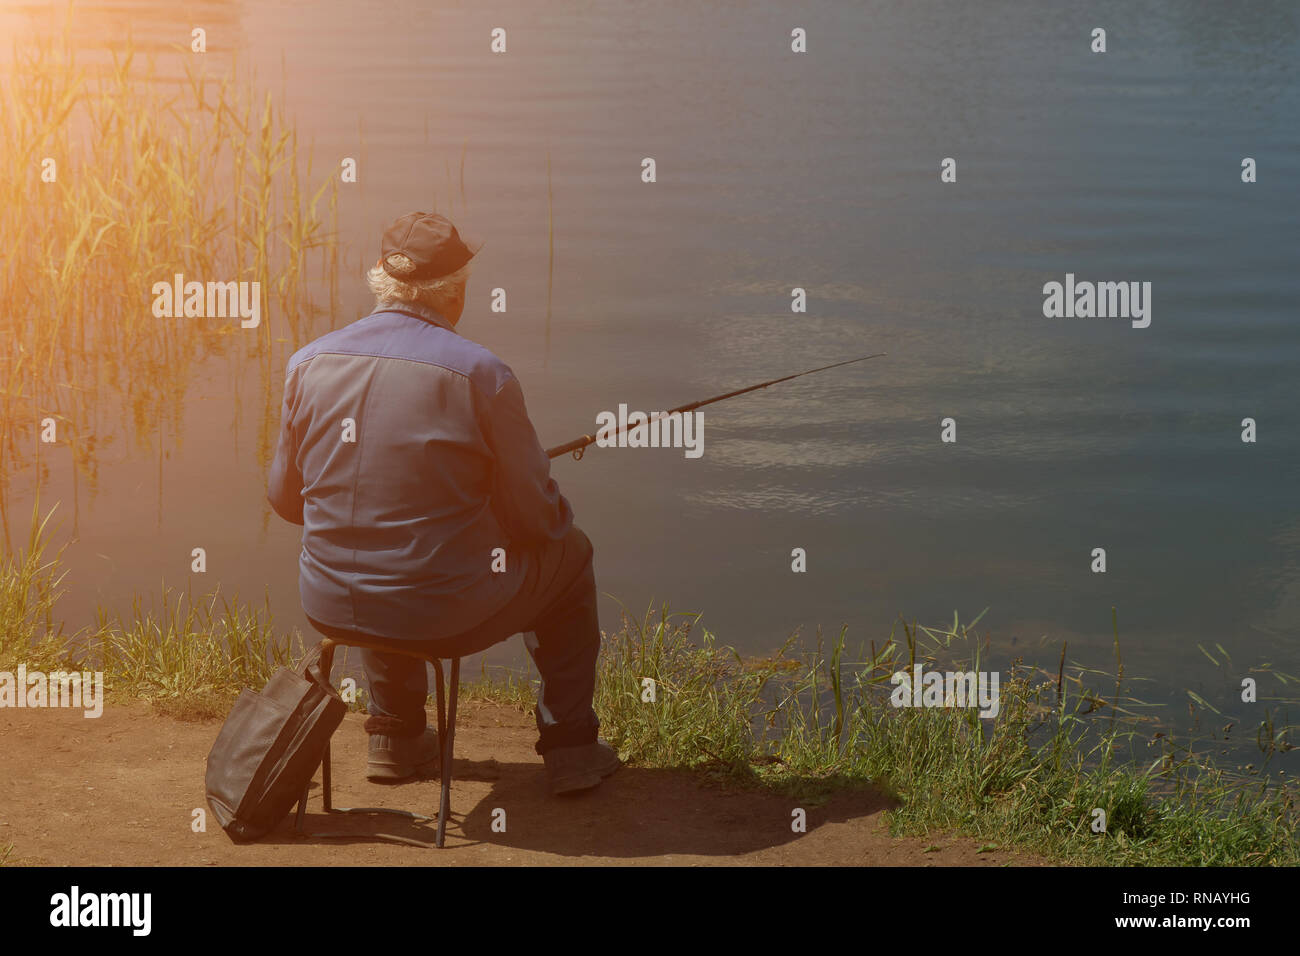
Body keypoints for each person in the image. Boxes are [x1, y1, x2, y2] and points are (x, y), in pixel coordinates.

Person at [266, 211, 618, 795]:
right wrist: (515, 513)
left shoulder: (306, 363)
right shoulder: (483, 374)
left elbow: (286, 501)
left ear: (379, 278)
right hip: (440, 611)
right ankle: (572, 747)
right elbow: (538, 519)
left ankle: (396, 737)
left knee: (381, 544)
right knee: (572, 556)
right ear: (456, 291)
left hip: (328, 602)